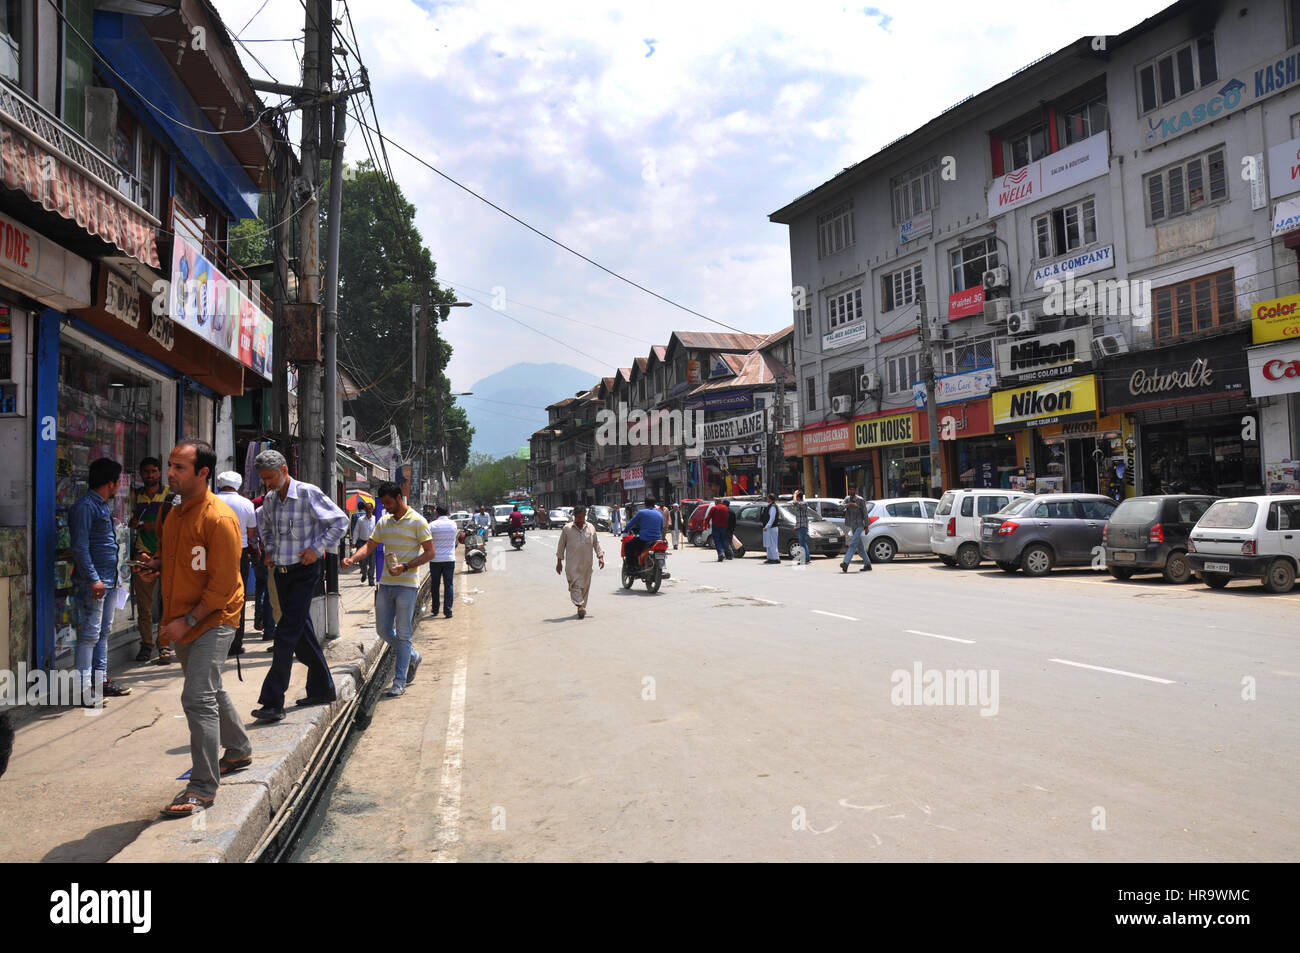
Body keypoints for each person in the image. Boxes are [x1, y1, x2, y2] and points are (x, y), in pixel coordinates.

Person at [135, 439, 250, 817]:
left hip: (213, 618)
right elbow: (179, 559)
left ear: (203, 473)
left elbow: (220, 587)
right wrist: (157, 566)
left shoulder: (219, 519)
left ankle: (201, 788)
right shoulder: (175, 513)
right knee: (209, 690)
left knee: (196, 697)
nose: (169, 473)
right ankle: (239, 750)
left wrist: (185, 622)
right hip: (182, 616)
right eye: (170, 465)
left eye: (179, 467)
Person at [251, 449, 348, 722]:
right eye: (263, 479)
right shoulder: (270, 500)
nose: (267, 484)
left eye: (270, 477)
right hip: (281, 573)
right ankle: (323, 689)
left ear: (284, 470)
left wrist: (316, 549)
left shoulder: (308, 493)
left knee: (285, 635)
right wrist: (269, 549)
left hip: (305, 572)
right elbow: (266, 529)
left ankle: (272, 701)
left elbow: (339, 522)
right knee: (301, 633)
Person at [343, 483, 434, 697]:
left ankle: (399, 680)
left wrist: (407, 566)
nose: (386, 507)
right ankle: (412, 656)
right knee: (383, 630)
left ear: (399, 498)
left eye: (388, 503)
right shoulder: (383, 521)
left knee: (403, 633)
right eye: (383, 503)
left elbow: (430, 552)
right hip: (385, 584)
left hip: (407, 585)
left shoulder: (418, 521)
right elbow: (370, 546)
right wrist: (353, 558)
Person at [69, 458, 131, 705]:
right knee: (90, 635)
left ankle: (100, 680)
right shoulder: (86, 507)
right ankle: (83, 690)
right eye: (118, 480)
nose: (119, 485)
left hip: (108, 580)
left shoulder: (102, 506)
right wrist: (94, 579)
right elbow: (80, 547)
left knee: (103, 632)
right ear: (111, 482)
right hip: (95, 582)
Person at [129, 457, 168, 663]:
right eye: (146, 472)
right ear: (141, 474)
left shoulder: (169, 494)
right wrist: (133, 524)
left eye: (153, 471)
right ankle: (146, 645)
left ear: (159, 473)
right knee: (144, 605)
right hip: (143, 554)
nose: (150, 475)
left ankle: (165, 645)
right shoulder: (135, 496)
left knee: (167, 603)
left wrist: (155, 526)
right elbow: (127, 522)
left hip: (167, 556)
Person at [216, 471, 259, 658]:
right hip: (238, 553)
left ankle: (216, 642)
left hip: (214, 554)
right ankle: (236, 642)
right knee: (237, 597)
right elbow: (251, 534)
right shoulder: (246, 504)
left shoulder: (212, 501)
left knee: (216, 595)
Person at [556, 504, 604, 618]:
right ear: (574, 517)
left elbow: (596, 543)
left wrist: (600, 557)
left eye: (581, 517)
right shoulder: (567, 529)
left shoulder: (591, 527)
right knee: (575, 585)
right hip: (572, 565)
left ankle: (581, 605)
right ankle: (580, 606)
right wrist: (559, 562)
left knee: (585, 587)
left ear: (584, 516)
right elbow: (561, 546)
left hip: (587, 564)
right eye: (577, 517)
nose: (579, 520)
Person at [250, 493, 274, 642]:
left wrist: (256, 548)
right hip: (273, 553)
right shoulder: (279, 510)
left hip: (261, 551)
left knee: (262, 587)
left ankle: (261, 621)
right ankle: (269, 627)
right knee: (272, 591)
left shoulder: (258, 511)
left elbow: (253, 535)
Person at [428, 504, 457, 619]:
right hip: (449, 559)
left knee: (435, 585)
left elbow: (428, 540)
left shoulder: (432, 525)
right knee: (448, 585)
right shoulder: (453, 524)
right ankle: (448, 610)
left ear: (437, 513)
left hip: (435, 559)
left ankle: (435, 609)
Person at [623, 498, 664, 573]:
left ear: (645, 504)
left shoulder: (641, 513)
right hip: (657, 540)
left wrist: (625, 531)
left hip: (644, 539)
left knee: (628, 545)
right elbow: (661, 528)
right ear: (654, 505)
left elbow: (631, 523)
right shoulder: (659, 514)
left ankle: (631, 567)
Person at [840, 485, 873, 573]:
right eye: (849, 489)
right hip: (852, 525)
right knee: (860, 547)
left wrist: (866, 526)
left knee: (853, 544)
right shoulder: (847, 499)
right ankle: (868, 564)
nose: (851, 491)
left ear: (855, 490)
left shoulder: (860, 500)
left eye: (852, 489)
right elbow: (840, 506)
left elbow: (865, 514)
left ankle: (845, 563)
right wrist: (849, 504)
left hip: (859, 525)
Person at [351, 501, 377, 585]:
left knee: (372, 563)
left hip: (372, 543)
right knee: (362, 562)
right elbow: (356, 531)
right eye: (367, 509)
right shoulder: (360, 520)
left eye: (370, 509)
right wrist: (354, 542)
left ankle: (371, 579)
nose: (369, 510)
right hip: (362, 543)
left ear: (372, 509)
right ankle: (364, 573)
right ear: (364, 509)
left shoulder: (376, 519)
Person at [792, 489, 812, 565]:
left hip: (803, 527)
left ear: (798, 498)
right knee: (803, 543)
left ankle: (805, 559)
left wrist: (795, 493)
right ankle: (806, 558)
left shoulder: (803, 503)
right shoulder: (801, 504)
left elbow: (795, 503)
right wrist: (796, 525)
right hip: (801, 526)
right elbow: (799, 517)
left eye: (796, 497)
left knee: (802, 543)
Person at [761, 493, 780, 564]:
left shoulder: (773, 507)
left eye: (768, 498)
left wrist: (767, 526)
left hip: (771, 528)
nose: (767, 499)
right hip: (769, 528)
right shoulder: (770, 506)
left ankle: (775, 558)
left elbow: (772, 518)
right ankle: (770, 558)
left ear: (770, 499)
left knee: (772, 544)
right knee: (768, 543)